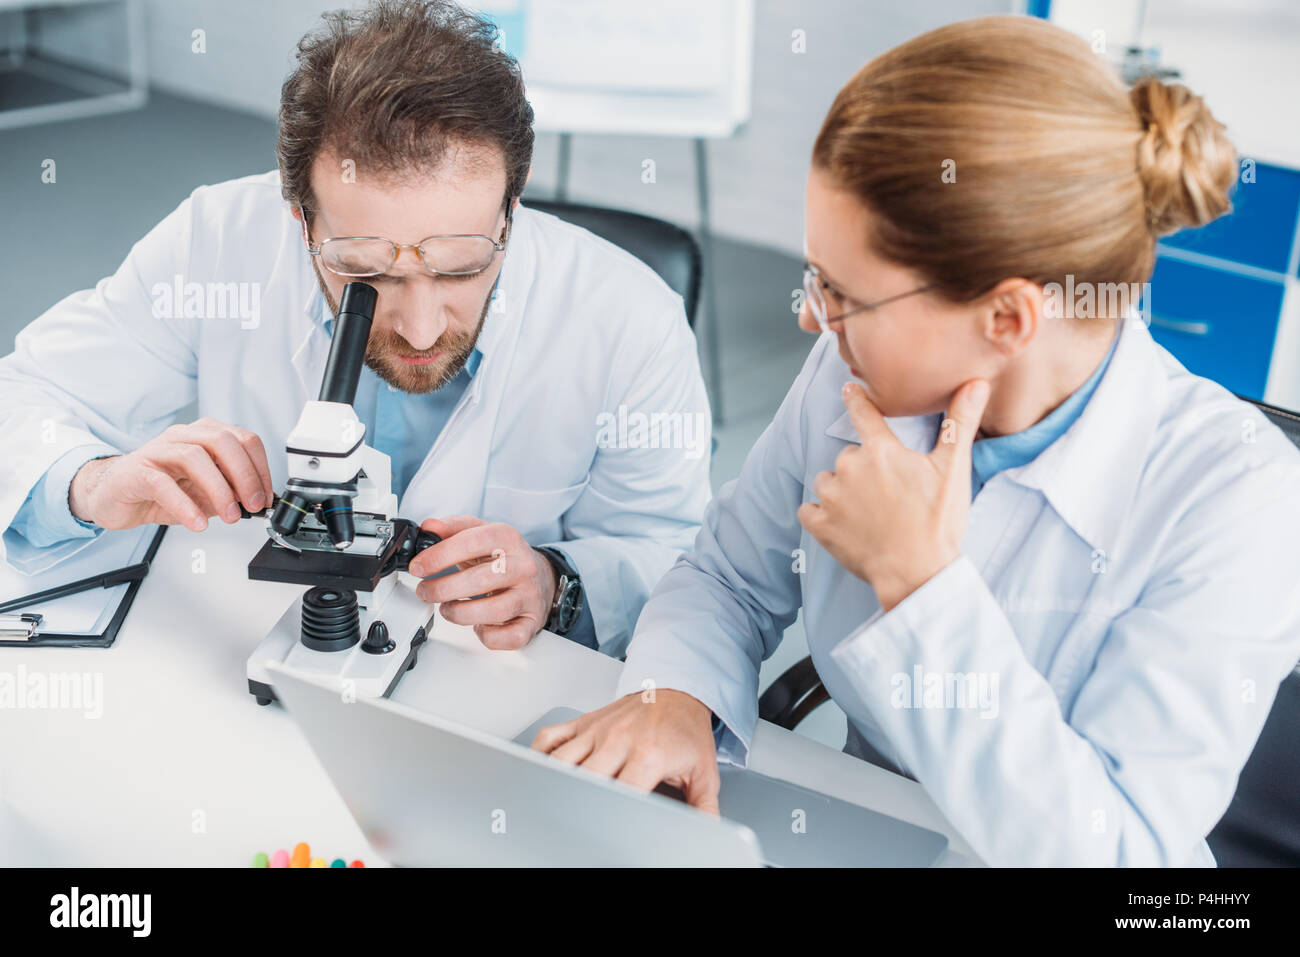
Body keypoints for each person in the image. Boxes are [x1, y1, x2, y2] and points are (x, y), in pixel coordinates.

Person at [531, 15, 1300, 866]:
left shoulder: (1240, 500)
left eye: (844, 292)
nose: (809, 315)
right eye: (815, 274)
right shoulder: (851, 370)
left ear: (1008, 317)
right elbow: (727, 576)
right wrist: (670, 688)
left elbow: (1120, 855)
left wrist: (922, 588)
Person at [0, 0, 711, 657]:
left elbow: (679, 556)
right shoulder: (217, 241)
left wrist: (559, 585)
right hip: (253, 653)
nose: (422, 327)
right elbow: (24, 395)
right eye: (366, 269)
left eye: (463, 265)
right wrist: (87, 485)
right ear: (300, 218)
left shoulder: (630, 320)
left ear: (510, 208)